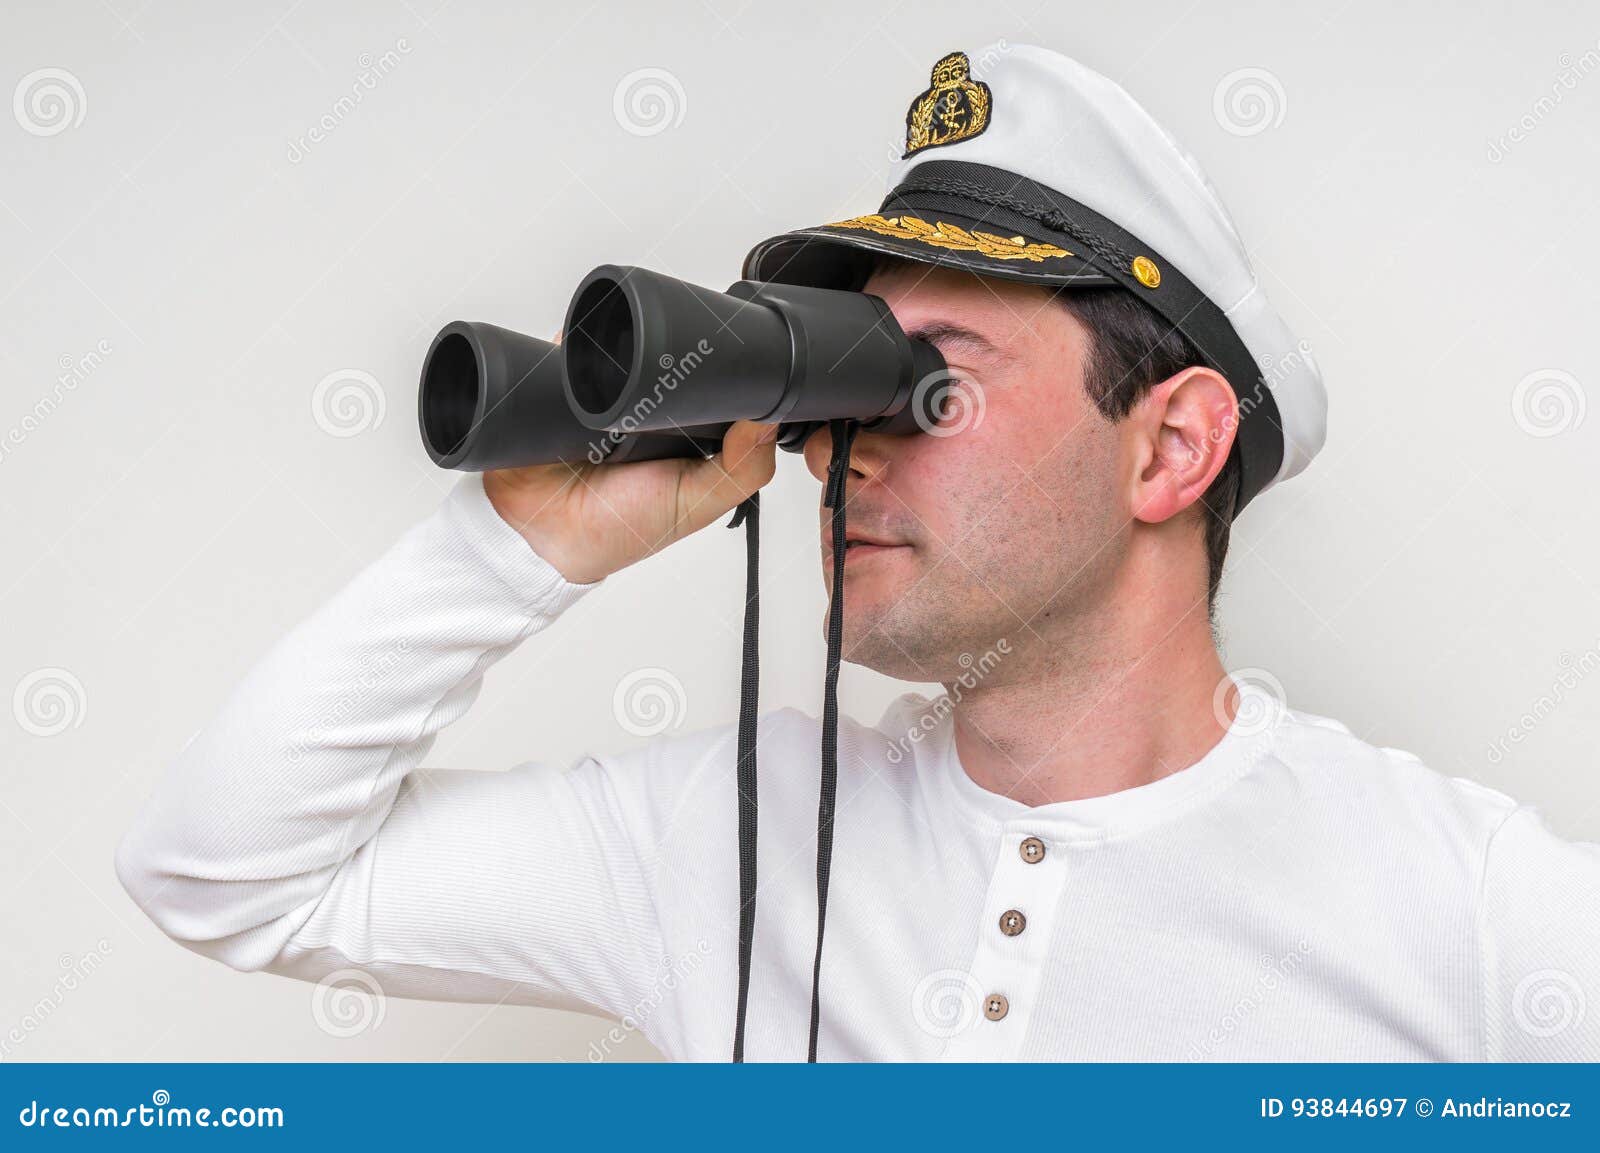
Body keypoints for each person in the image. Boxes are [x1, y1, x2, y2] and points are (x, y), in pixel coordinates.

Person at [117, 42, 1599, 1061]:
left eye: (931, 376)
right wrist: (522, 545)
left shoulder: (1466, 910)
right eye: (842, 382)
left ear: (1169, 446)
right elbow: (225, 874)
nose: (841, 445)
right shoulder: (733, 835)